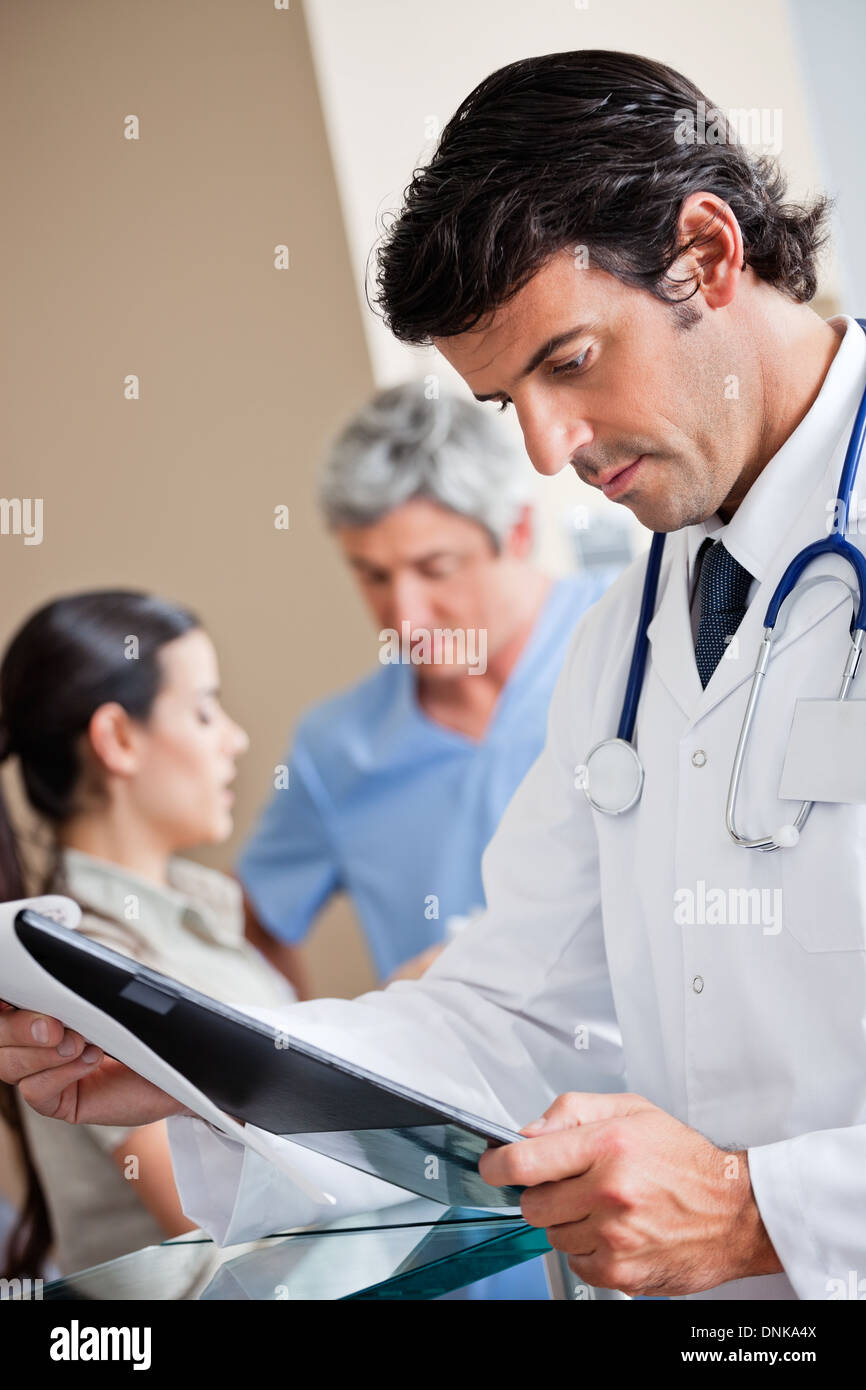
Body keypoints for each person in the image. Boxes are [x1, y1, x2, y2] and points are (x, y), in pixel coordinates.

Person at [3, 48, 864, 1301]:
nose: (548, 449)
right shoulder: (626, 638)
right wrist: (210, 1063)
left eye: (567, 361)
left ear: (707, 253)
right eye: (503, 400)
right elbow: (502, 1013)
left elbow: (749, 1203)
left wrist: (765, 1214)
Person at [239, 380, 617, 994]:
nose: (405, 618)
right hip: (452, 1088)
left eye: (435, 569)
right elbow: (253, 923)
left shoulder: (630, 636)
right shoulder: (337, 749)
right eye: (373, 576)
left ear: (518, 532)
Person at [0, 591, 296, 1278]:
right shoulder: (88, 968)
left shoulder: (195, 925)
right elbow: (246, 1241)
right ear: (118, 740)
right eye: (203, 710)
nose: (235, 738)